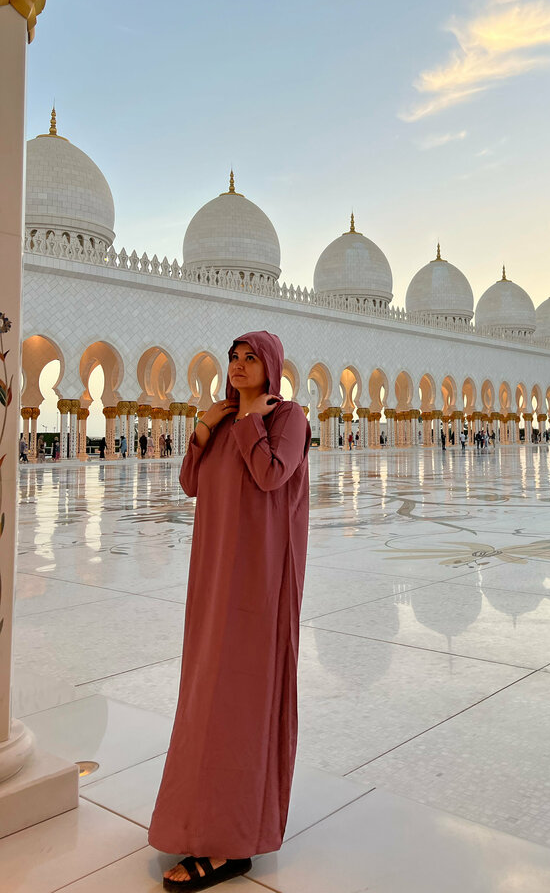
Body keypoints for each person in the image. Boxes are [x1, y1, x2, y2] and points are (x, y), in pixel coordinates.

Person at [150, 330, 311, 891]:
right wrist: (203, 428)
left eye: (251, 359)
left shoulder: (288, 418)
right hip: (214, 580)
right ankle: (199, 821)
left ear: (271, 367)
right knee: (205, 694)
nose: (240, 366)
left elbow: (272, 474)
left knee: (240, 699)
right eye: (234, 358)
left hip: (258, 582)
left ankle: (232, 841)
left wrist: (248, 422)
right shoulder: (221, 419)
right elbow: (191, 482)